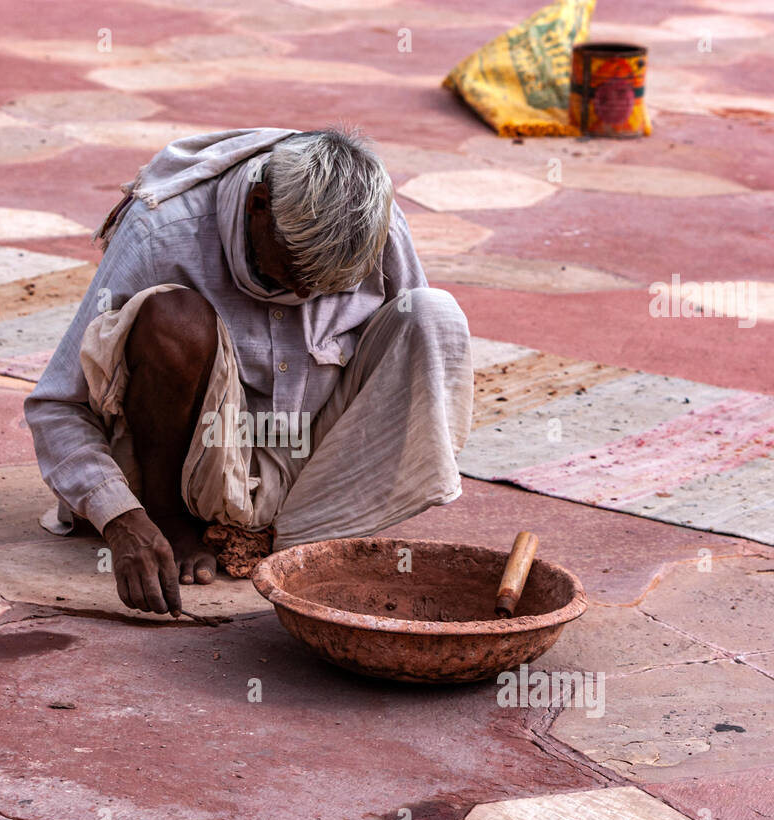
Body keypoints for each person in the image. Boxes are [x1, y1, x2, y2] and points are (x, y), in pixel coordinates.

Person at [24, 126, 474, 617]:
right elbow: (56, 405)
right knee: (174, 320)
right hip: (196, 460)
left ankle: (298, 531)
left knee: (432, 314)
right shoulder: (164, 227)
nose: (306, 295)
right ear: (258, 205)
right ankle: (171, 517)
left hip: (311, 460)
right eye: (298, 273)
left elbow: (407, 360)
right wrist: (120, 517)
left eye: (327, 287)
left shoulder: (374, 225)